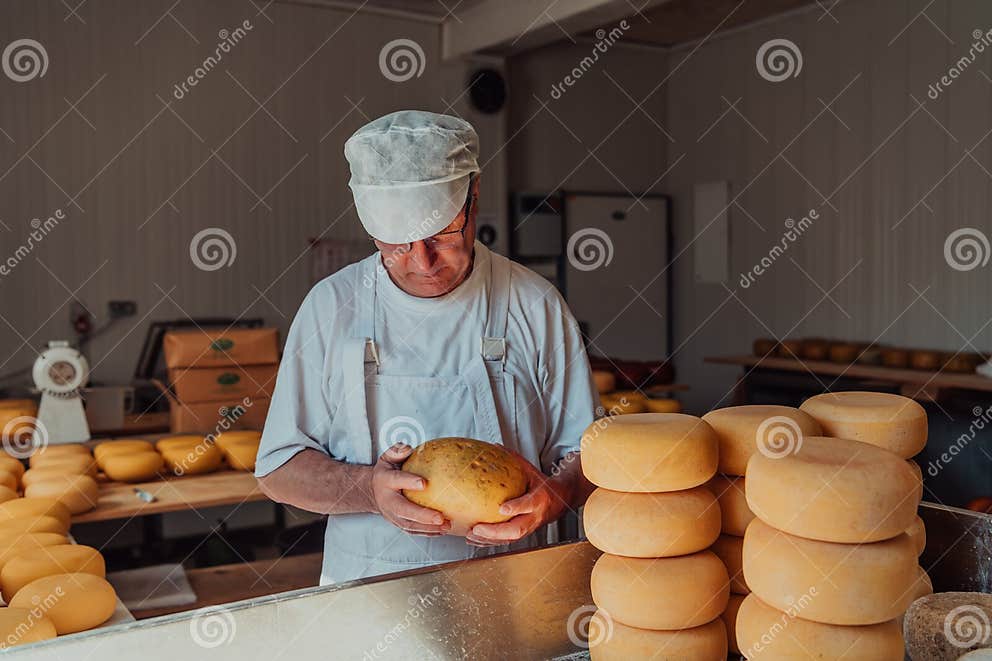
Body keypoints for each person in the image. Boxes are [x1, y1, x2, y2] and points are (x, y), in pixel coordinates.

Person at [256, 110, 598, 585]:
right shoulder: (332, 307)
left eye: (441, 234)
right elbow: (279, 470)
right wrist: (369, 490)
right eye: (397, 242)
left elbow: (590, 456)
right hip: (368, 596)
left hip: (516, 591)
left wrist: (554, 496)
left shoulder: (533, 304)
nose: (422, 261)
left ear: (474, 197)